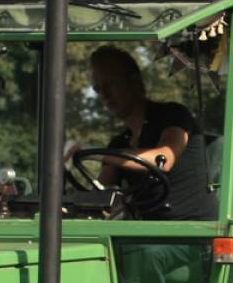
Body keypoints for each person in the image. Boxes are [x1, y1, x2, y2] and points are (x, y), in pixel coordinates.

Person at [85, 46, 215, 221]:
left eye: (111, 84)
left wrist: (99, 155)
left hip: (190, 234)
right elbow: (98, 200)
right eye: (98, 89)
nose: (105, 95)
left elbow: (164, 159)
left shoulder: (173, 115)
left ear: (135, 81)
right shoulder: (119, 144)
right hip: (145, 232)